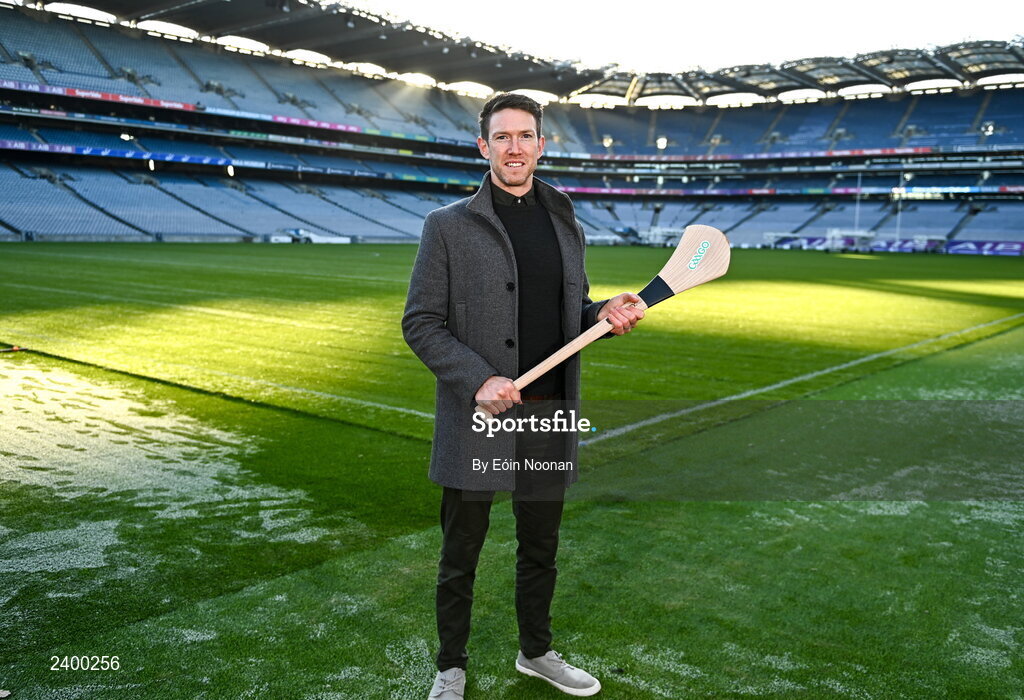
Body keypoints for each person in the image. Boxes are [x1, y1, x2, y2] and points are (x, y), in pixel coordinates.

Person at [402, 92, 644, 699]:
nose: (515, 147)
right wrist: (477, 378)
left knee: (541, 548)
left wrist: (603, 312)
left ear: (541, 144)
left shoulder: (566, 222)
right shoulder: (448, 226)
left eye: (526, 136)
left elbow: (572, 313)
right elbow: (421, 322)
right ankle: (450, 667)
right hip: (480, 417)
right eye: (502, 137)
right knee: (461, 553)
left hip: (548, 415)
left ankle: (535, 652)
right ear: (484, 147)